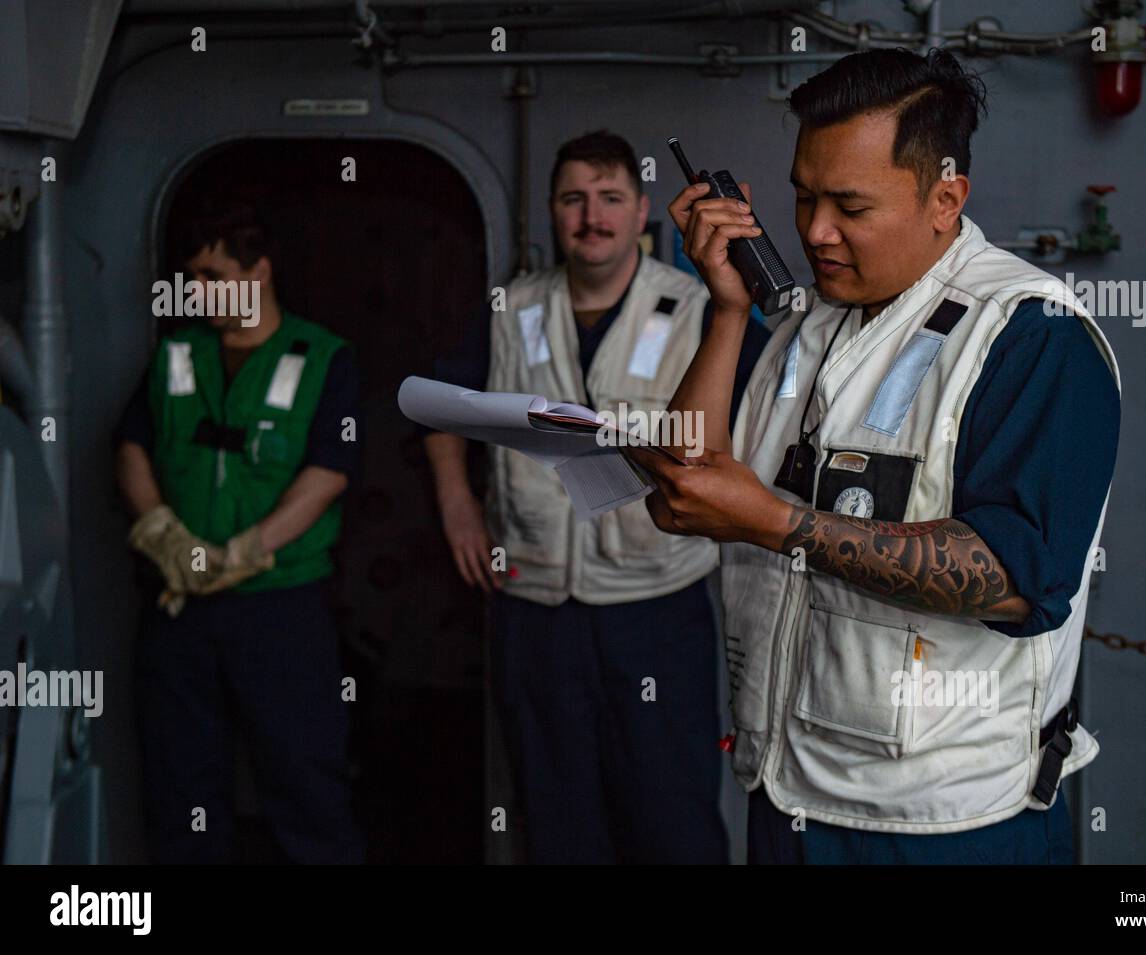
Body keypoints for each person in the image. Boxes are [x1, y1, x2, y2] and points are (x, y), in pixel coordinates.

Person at [629, 49, 1121, 865]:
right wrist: (726, 310)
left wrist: (780, 522)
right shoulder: (800, 323)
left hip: (945, 826)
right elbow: (689, 488)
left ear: (945, 198)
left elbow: (1012, 579)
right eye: (802, 194)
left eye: (849, 206)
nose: (815, 230)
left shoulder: (1031, 335)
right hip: (785, 795)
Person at [422, 130, 769, 863]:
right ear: (552, 211)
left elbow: (758, 436)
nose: (592, 216)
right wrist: (457, 503)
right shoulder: (510, 308)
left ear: (641, 209)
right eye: (574, 199)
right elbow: (446, 410)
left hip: (655, 609)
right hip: (534, 607)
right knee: (555, 820)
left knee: (670, 818)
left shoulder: (700, 308)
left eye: (610, 198)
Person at [115, 200, 365, 863]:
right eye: (190, 277)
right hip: (180, 607)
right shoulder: (177, 352)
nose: (195, 291)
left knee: (304, 781)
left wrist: (246, 551)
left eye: (212, 275)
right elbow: (133, 446)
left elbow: (328, 471)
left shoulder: (323, 358)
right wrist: (164, 534)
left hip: (279, 609)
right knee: (182, 790)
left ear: (259, 270)